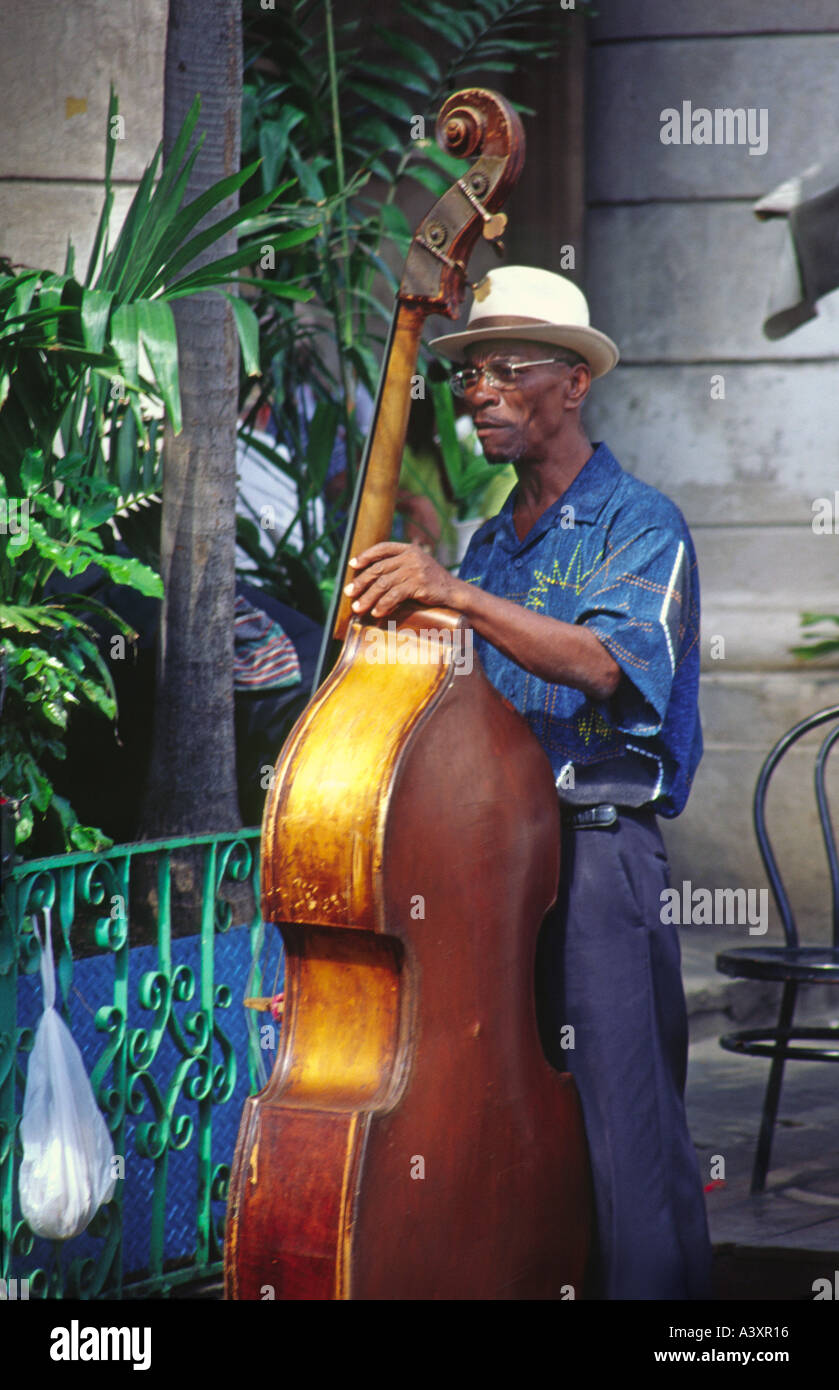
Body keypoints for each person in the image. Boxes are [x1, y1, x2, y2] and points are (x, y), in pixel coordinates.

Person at [343, 265, 713, 1301]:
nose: (478, 392)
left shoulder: (639, 524)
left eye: (507, 369)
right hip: (491, 867)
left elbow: (603, 663)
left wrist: (450, 592)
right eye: (466, 376)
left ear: (571, 384)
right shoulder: (482, 545)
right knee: (512, 1113)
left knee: (619, 1124)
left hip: (595, 856)